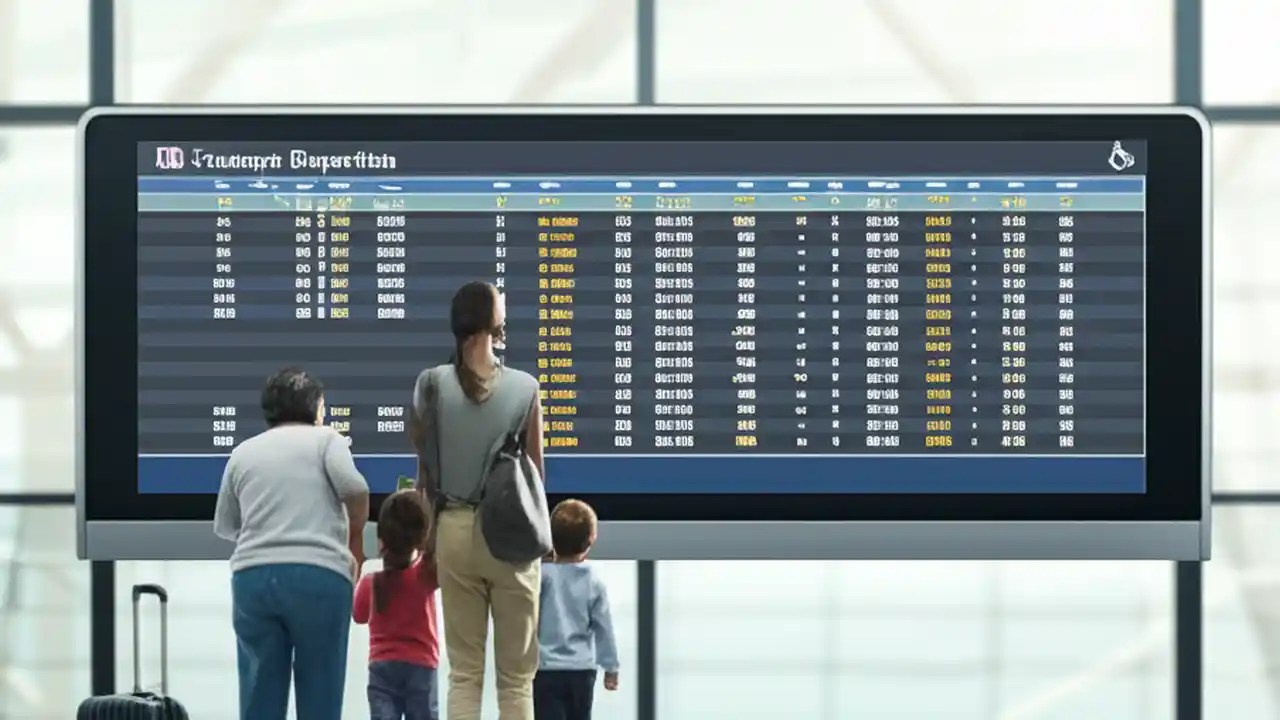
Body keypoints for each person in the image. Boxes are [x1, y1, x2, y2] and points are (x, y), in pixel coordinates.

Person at [411, 281, 545, 720]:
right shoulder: (526, 388)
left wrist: (426, 544)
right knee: (516, 680)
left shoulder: (430, 383)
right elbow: (535, 476)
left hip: (453, 533)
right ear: (493, 321)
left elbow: (424, 474)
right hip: (510, 537)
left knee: (465, 675)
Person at [213, 367, 369, 720]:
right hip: (319, 577)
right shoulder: (327, 440)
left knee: (259, 696)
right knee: (320, 692)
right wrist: (355, 537)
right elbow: (354, 488)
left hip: (253, 581)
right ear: (316, 410)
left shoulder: (243, 452)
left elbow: (226, 525)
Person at [353, 489, 441, 720]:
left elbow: (358, 615)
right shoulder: (427, 575)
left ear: (382, 539)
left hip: (382, 666)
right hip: (422, 666)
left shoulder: (370, 583)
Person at [534, 499, 619, 720]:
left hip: (545, 668)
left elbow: (529, 619)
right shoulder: (594, 579)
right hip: (582, 670)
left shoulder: (541, 576)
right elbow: (604, 627)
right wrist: (610, 666)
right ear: (591, 540)